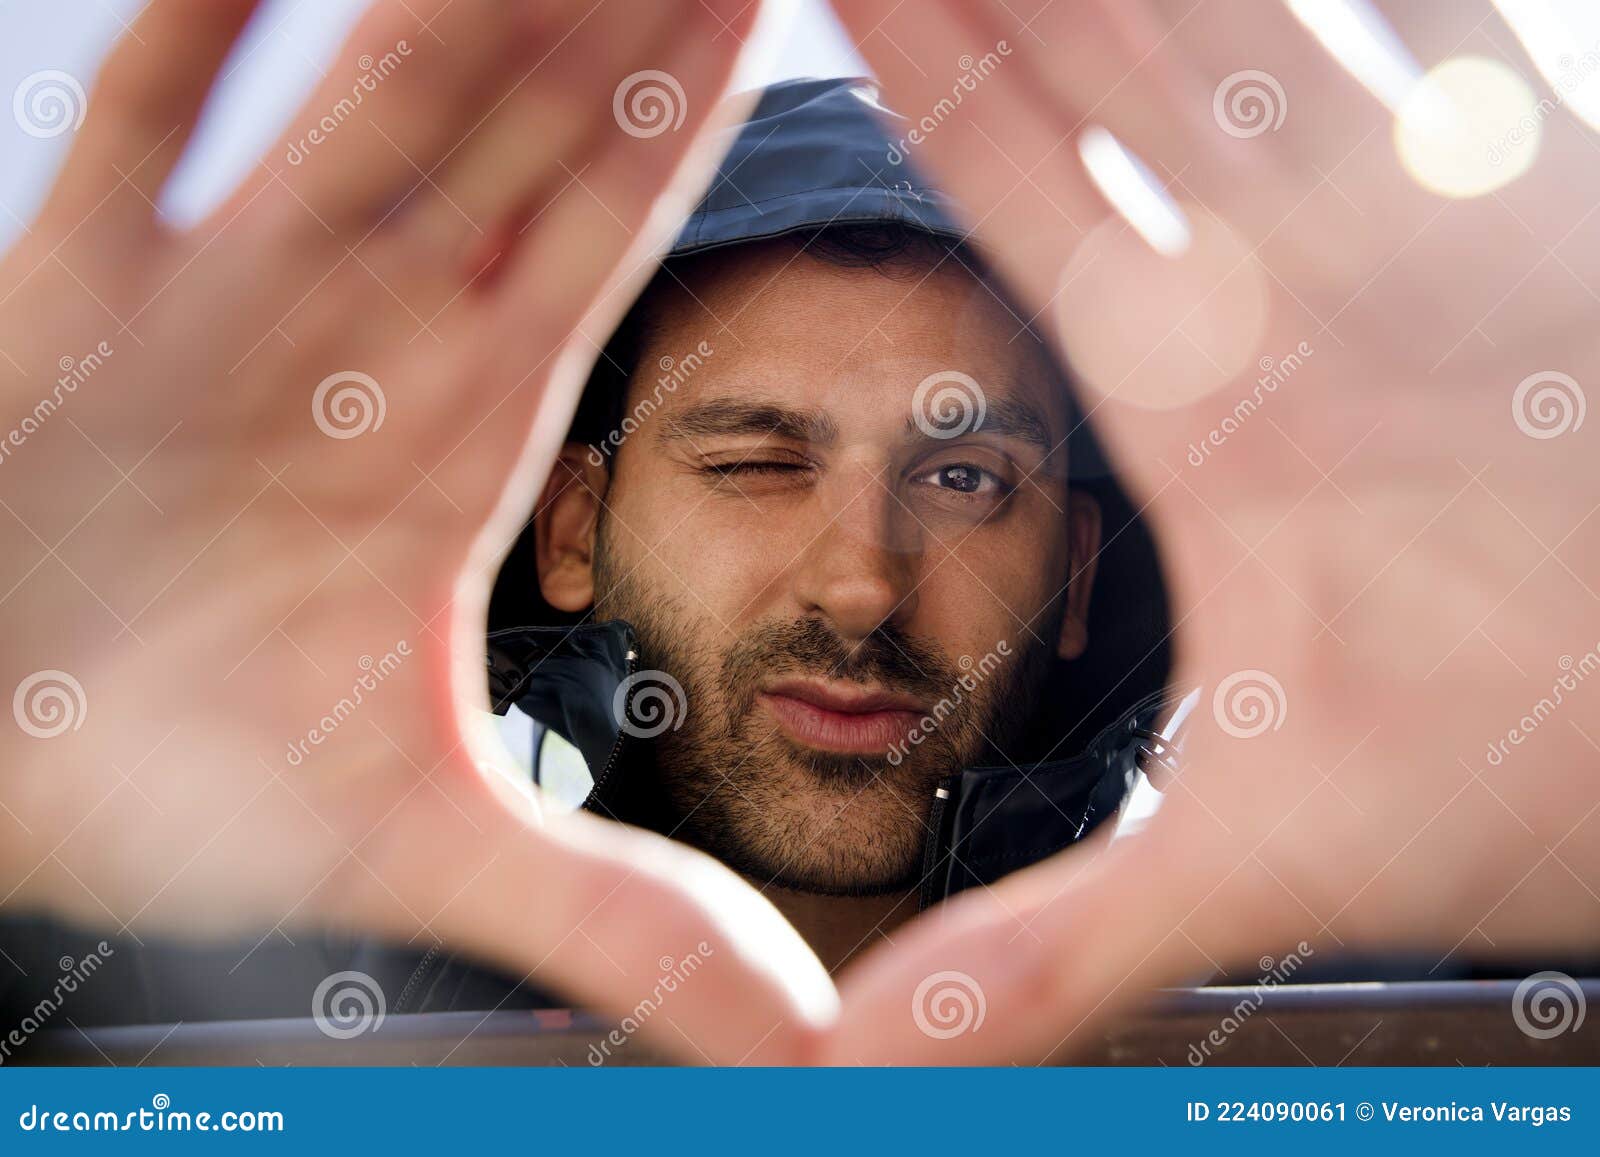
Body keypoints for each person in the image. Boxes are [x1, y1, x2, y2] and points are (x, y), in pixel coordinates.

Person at [2, 0, 1597, 1067]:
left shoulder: (1423, 1017)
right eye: (758, 459)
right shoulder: (195, 1021)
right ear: (572, 529)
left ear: (1076, 578)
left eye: (966, 478)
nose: (861, 577)